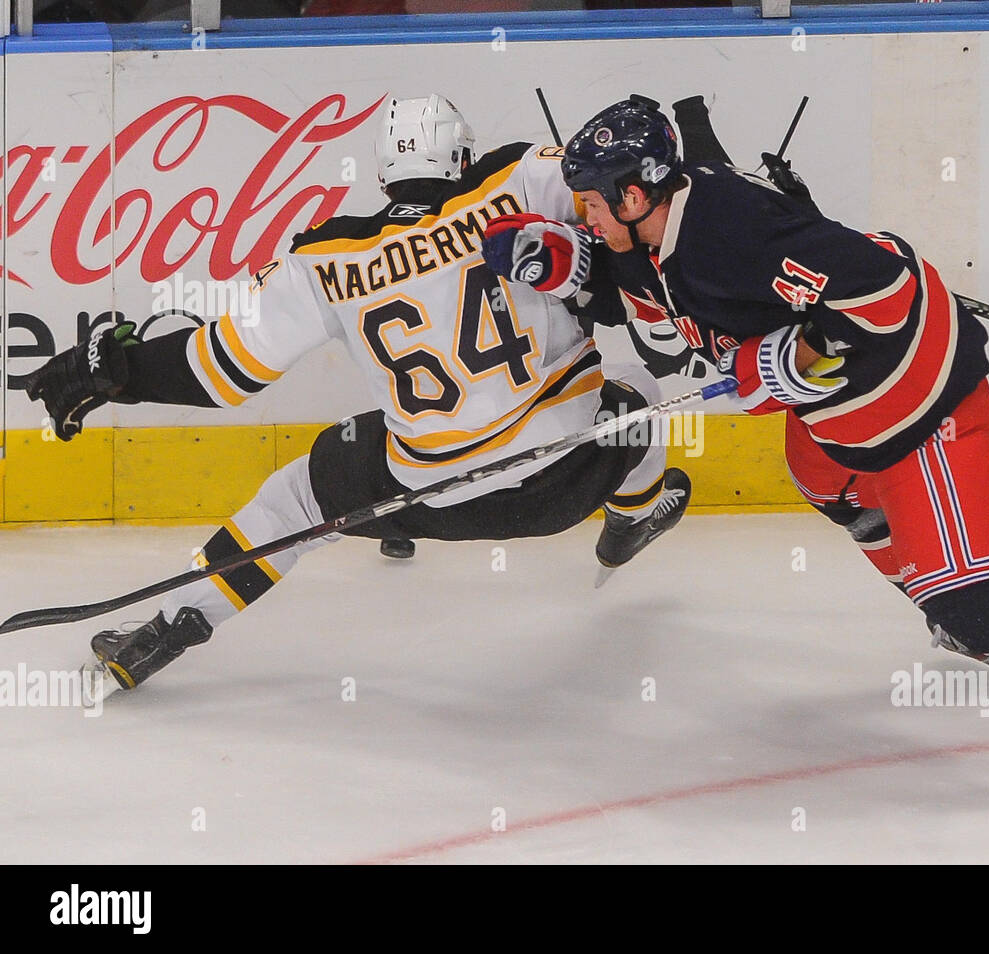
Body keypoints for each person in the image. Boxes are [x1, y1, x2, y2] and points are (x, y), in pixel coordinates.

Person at [482, 96, 989, 806]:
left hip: (919, 403)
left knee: (982, 608)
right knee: (823, 479)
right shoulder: (645, 241)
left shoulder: (731, 231)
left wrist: (793, 353)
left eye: (593, 203)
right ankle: (941, 611)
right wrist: (568, 269)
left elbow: (887, 292)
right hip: (836, 421)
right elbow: (652, 317)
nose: (584, 214)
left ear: (638, 194)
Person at [25, 93, 690, 692]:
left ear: (381, 175)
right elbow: (629, 213)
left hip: (429, 493)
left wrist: (116, 370)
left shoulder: (326, 256)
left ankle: (168, 627)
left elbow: (220, 370)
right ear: (462, 155)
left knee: (294, 497)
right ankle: (632, 517)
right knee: (637, 387)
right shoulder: (522, 176)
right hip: (562, 479)